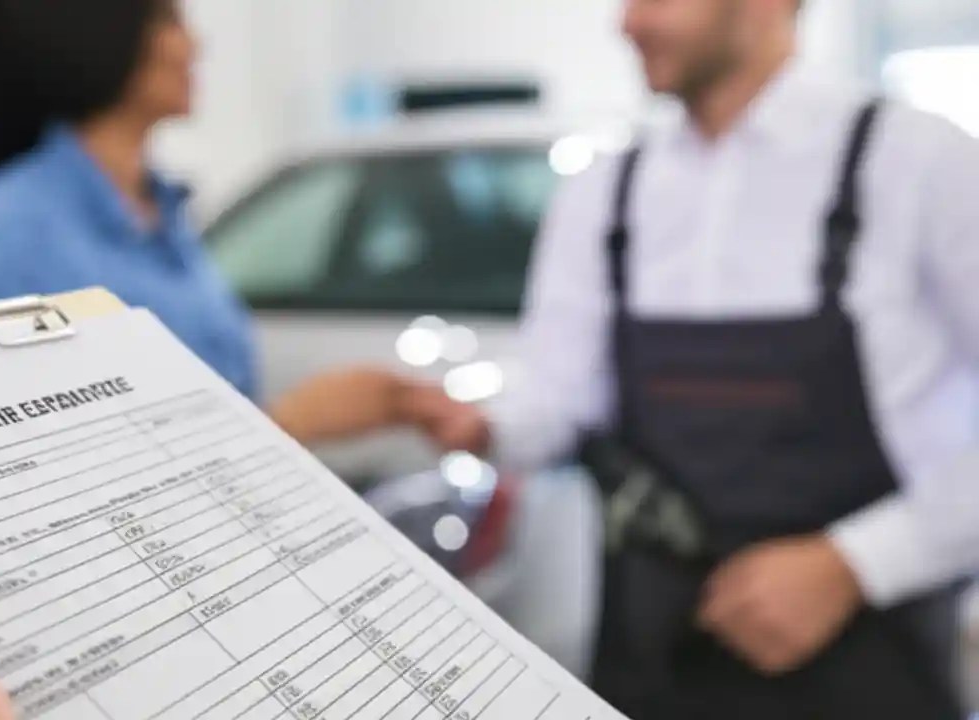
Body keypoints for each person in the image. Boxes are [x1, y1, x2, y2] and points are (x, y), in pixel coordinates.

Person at [409, 0, 979, 718]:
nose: (628, 24)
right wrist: (478, 425)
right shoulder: (605, 192)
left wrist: (860, 562)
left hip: (868, 665)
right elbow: (563, 400)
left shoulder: (922, 165)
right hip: (651, 662)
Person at [0, 0, 418, 445]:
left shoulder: (163, 215)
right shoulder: (7, 229)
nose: (194, 45)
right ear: (93, 32)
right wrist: (288, 423)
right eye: (169, 19)